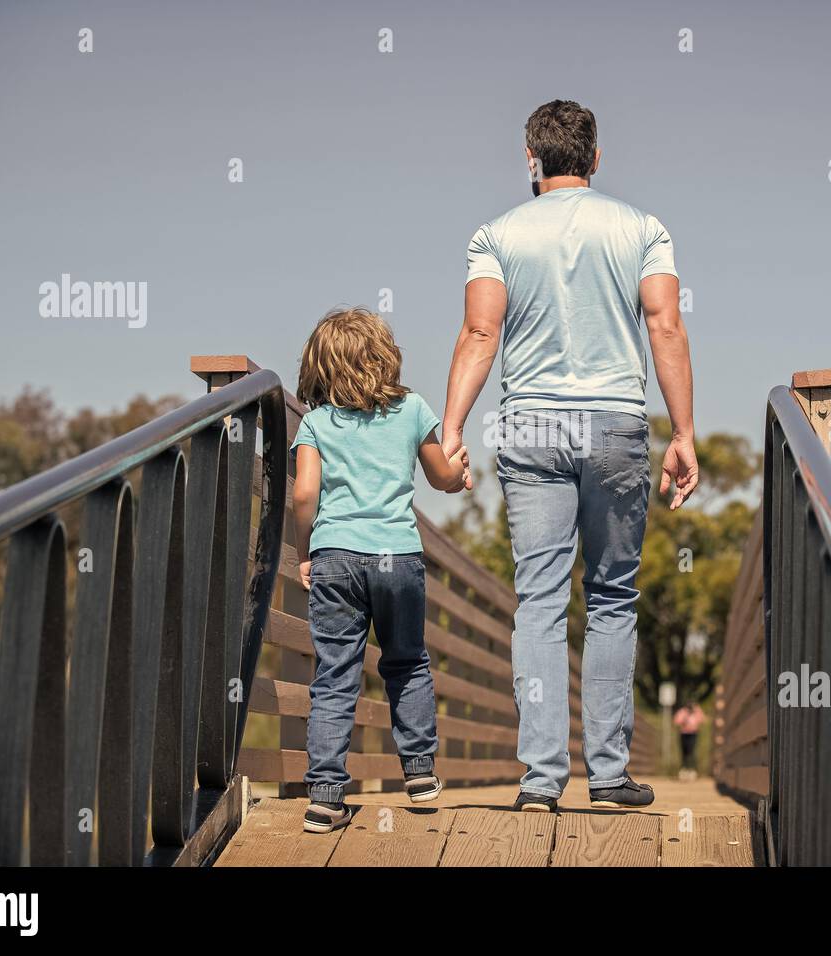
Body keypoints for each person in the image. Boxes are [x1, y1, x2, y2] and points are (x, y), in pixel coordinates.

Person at [442, 100, 700, 812]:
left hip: (530, 426)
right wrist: (682, 430)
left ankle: (540, 781)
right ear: (596, 156)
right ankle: (610, 774)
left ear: (531, 159)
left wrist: (452, 427)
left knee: (540, 603)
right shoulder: (643, 228)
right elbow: (665, 322)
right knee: (613, 596)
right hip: (616, 423)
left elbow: (478, 331)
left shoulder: (495, 234)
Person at [290, 307, 469, 834]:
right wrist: (461, 477)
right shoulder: (412, 409)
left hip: (336, 558)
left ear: (319, 367)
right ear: (385, 357)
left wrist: (306, 552)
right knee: (407, 662)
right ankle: (418, 774)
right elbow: (441, 477)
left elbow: (304, 494)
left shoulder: (315, 422)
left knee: (335, 675)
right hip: (397, 556)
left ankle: (324, 796)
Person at [673, 700, 706, 778]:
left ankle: (692, 770)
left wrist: (697, 710)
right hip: (684, 733)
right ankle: (684, 770)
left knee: (691, 751)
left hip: (693, 733)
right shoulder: (682, 711)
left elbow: (702, 720)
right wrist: (685, 716)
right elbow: (676, 721)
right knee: (684, 752)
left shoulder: (696, 711)